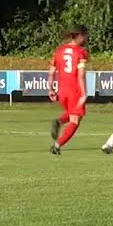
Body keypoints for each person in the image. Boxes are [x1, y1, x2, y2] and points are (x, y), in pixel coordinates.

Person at [47, 25, 89, 155]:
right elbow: (81, 74)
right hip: (74, 90)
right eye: (85, 36)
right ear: (80, 36)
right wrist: (83, 93)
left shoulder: (59, 50)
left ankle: (59, 122)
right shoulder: (81, 52)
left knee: (73, 115)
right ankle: (57, 145)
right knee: (75, 121)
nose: (86, 38)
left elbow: (51, 72)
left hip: (62, 91)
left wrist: (50, 89)